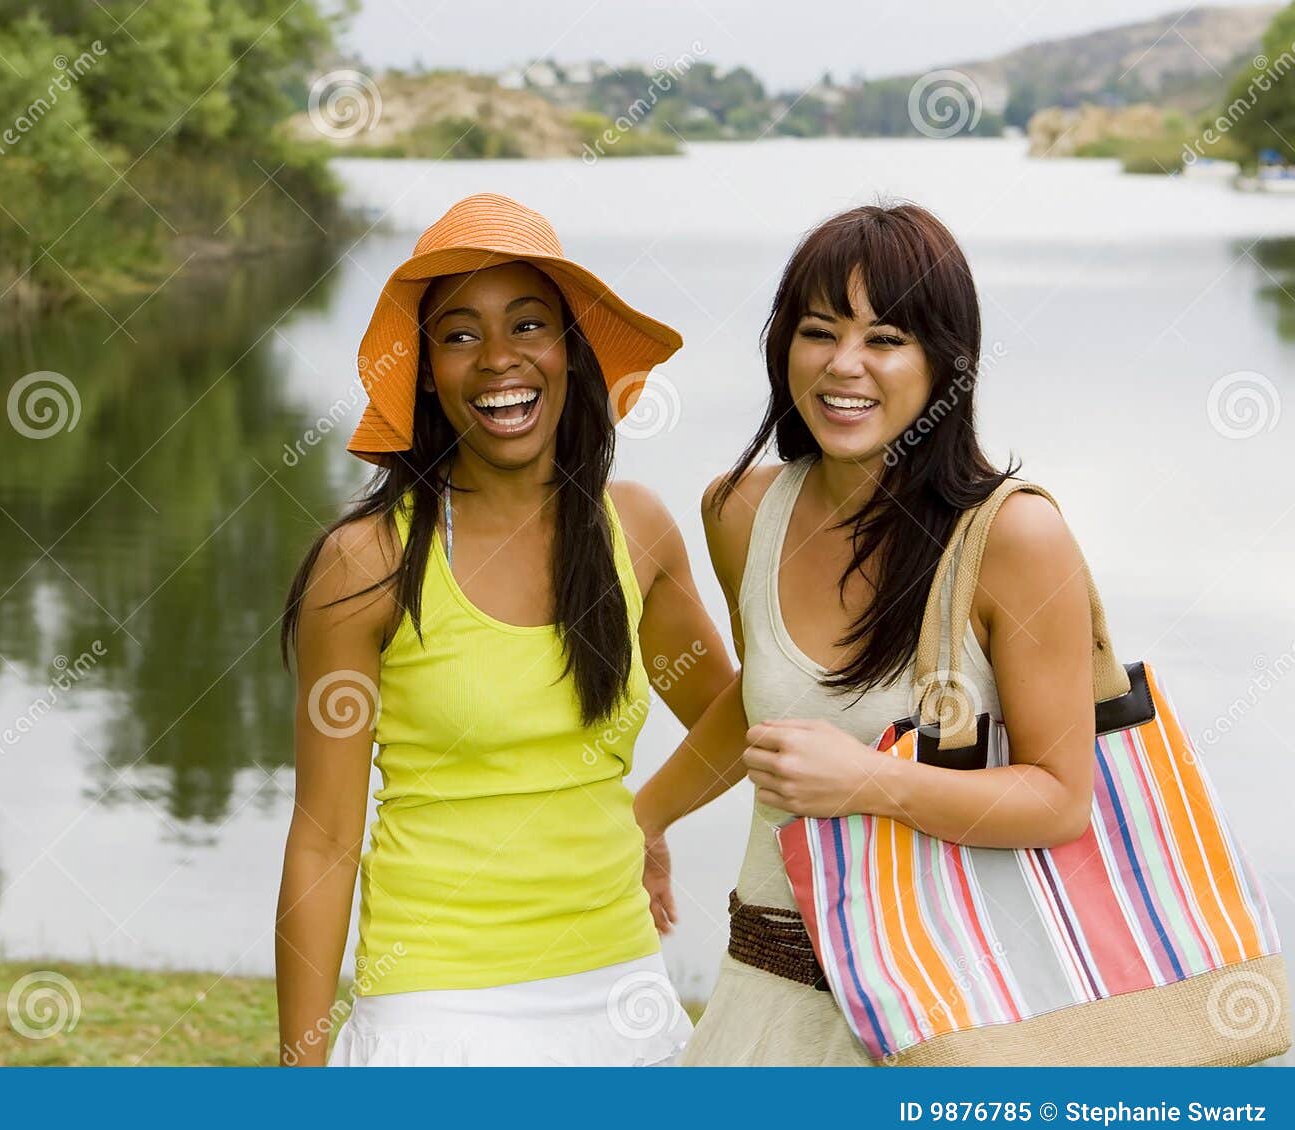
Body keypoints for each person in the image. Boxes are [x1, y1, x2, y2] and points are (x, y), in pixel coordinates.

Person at [632, 202, 1096, 1065]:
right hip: (763, 997)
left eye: (886, 338)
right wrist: (645, 816)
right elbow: (768, 699)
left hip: (942, 1014)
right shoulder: (741, 512)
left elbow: (1061, 798)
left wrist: (869, 779)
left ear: (946, 363)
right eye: (819, 331)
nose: (845, 364)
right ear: (783, 347)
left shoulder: (1014, 539)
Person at [276, 193, 734, 1066]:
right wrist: (301, 1076)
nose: (498, 361)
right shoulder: (365, 563)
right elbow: (325, 838)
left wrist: (651, 812)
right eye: (458, 335)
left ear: (571, 352)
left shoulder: (635, 530)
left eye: (528, 325)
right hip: (436, 1005)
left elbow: (750, 713)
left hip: (626, 993)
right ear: (422, 369)